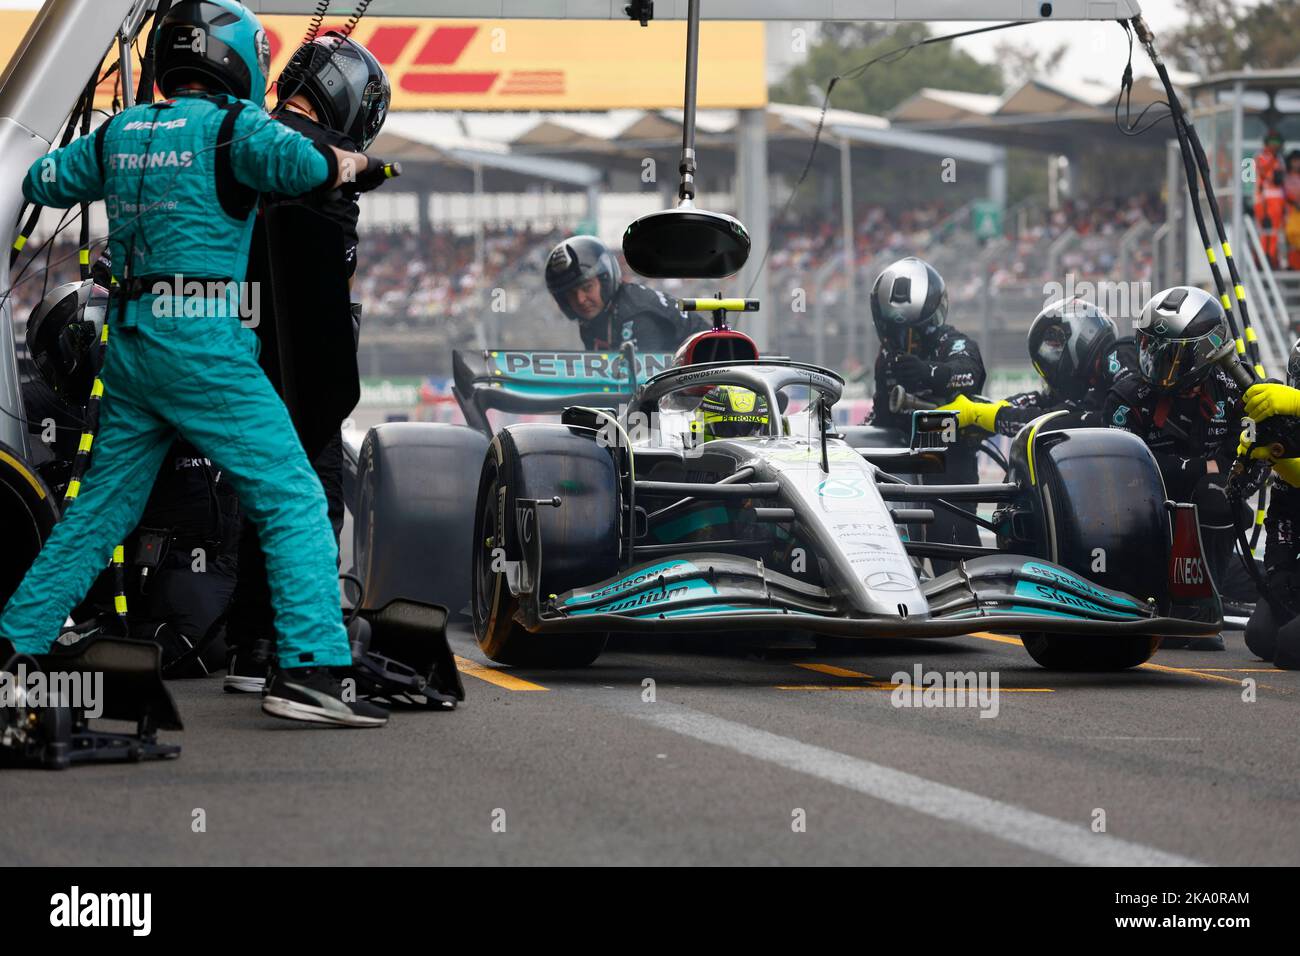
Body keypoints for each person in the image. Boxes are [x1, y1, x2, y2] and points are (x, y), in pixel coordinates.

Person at [0, 0, 399, 727]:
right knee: (294, 495)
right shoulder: (233, 128)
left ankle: (14, 648)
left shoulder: (120, 131)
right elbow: (304, 163)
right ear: (235, 58)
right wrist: (354, 162)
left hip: (131, 347)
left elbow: (44, 182)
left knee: (98, 514)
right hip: (204, 344)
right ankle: (311, 670)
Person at [223, 29, 391, 693]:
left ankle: (250, 645)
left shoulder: (242, 139)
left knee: (257, 499)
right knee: (313, 499)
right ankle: (306, 658)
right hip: (296, 364)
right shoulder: (326, 166)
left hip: (226, 357)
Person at [22, 279, 239, 676]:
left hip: (192, 579)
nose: (55, 379)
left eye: (56, 361)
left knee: (185, 647)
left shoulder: (165, 385)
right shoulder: (87, 402)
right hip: (151, 576)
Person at [1103, 286, 1249, 644]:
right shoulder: (1127, 397)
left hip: (1211, 527)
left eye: (1168, 354)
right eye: (1149, 347)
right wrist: (1200, 466)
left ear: (1202, 355)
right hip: (1147, 515)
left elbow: (1249, 462)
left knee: (1218, 498)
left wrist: (1205, 473)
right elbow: (1126, 470)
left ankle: (1201, 608)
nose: (1154, 361)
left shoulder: (1235, 389)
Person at [866, 256, 985, 570]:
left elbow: (971, 372)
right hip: (902, 462)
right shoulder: (887, 358)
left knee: (948, 542)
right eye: (896, 330)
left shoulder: (953, 342)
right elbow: (880, 411)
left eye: (915, 332)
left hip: (949, 458)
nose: (907, 341)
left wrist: (929, 373)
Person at [938, 298, 1137, 436]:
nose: (1051, 357)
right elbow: (1043, 403)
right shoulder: (1089, 385)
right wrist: (985, 410)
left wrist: (978, 414)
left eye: (1055, 345)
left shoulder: (1118, 355)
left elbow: (1056, 422)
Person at [1241, 340, 1300, 670]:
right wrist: (1280, 571)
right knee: (1261, 635)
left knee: (1290, 648)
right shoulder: (1291, 432)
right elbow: (1281, 516)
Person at [545, 235, 703, 352]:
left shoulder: (636, 314)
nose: (580, 300)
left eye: (587, 288)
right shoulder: (594, 319)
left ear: (605, 282)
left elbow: (642, 387)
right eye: (571, 294)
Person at [1255, 129, 1286, 268]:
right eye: (1272, 142)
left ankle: (1274, 259)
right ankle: (1264, 260)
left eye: (1277, 142)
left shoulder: (1279, 158)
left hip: (1279, 201)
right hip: (1266, 202)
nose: (1275, 145)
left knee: (1276, 233)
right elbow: (1263, 173)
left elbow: (1281, 179)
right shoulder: (1262, 157)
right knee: (1266, 233)